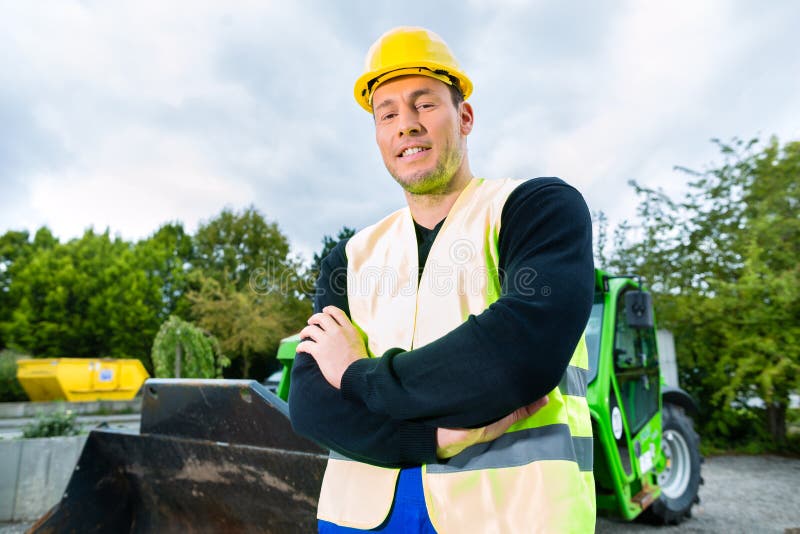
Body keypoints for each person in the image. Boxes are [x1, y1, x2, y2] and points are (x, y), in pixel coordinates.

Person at [289, 26, 596, 533]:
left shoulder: (535, 208)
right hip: (358, 521)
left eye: (424, 105)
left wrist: (357, 375)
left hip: (511, 518)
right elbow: (311, 405)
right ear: (378, 136)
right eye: (386, 113)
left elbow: (515, 357)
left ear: (465, 117)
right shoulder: (349, 255)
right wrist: (429, 440)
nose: (405, 125)